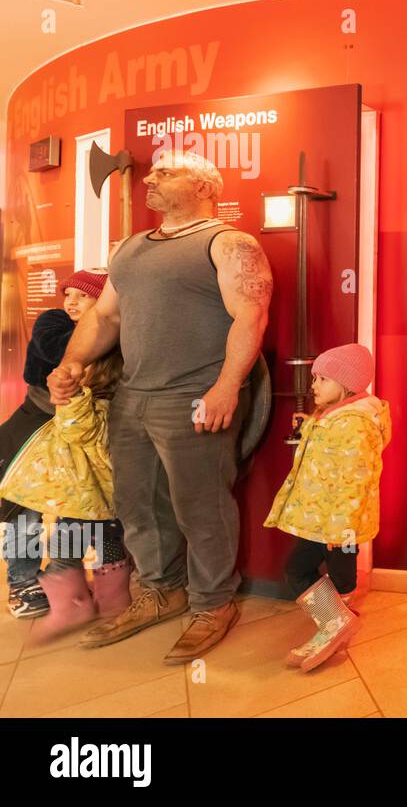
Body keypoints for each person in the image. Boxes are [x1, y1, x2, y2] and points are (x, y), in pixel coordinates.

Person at [48, 150, 273, 664]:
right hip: (133, 394)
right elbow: (105, 318)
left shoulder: (229, 243)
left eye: (164, 173)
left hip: (193, 395)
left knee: (201, 505)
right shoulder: (129, 249)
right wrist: (71, 366)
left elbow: (250, 318)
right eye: (151, 172)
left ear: (202, 186)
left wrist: (225, 387)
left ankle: (213, 603)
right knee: (137, 504)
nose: (148, 178)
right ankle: (160, 591)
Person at [263, 343, 390, 672]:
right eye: (315, 378)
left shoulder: (356, 424)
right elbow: (331, 451)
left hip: (337, 524)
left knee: (325, 572)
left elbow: (355, 480)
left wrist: (341, 527)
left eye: (322, 379)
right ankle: (337, 621)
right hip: (322, 519)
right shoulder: (335, 417)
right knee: (312, 570)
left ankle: (336, 623)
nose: (313, 385)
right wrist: (310, 425)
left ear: (346, 384)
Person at [0, 349, 130, 643]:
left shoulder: (89, 408)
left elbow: (74, 430)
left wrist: (70, 397)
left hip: (80, 501)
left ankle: (72, 608)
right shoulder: (117, 409)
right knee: (109, 546)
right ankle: (114, 602)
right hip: (103, 499)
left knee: (64, 547)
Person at [2, 269, 106, 618]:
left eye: (83, 296)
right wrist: (101, 331)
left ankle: (62, 579)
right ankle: (22, 583)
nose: (71, 301)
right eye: (68, 294)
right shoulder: (53, 321)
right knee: (23, 507)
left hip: (75, 431)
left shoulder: (114, 332)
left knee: (75, 507)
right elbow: (56, 351)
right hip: (34, 422)